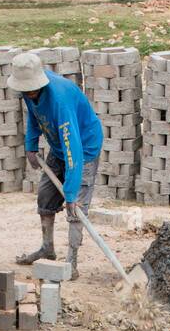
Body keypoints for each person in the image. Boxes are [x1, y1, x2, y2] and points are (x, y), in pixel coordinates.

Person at [7, 51, 104, 277]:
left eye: (30, 89)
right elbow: (34, 116)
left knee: (76, 208)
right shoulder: (28, 91)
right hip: (59, 146)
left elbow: (74, 152)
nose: (27, 93)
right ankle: (47, 248)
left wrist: (70, 194)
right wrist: (30, 144)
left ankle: (72, 261)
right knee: (45, 197)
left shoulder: (60, 100)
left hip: (84, 148)